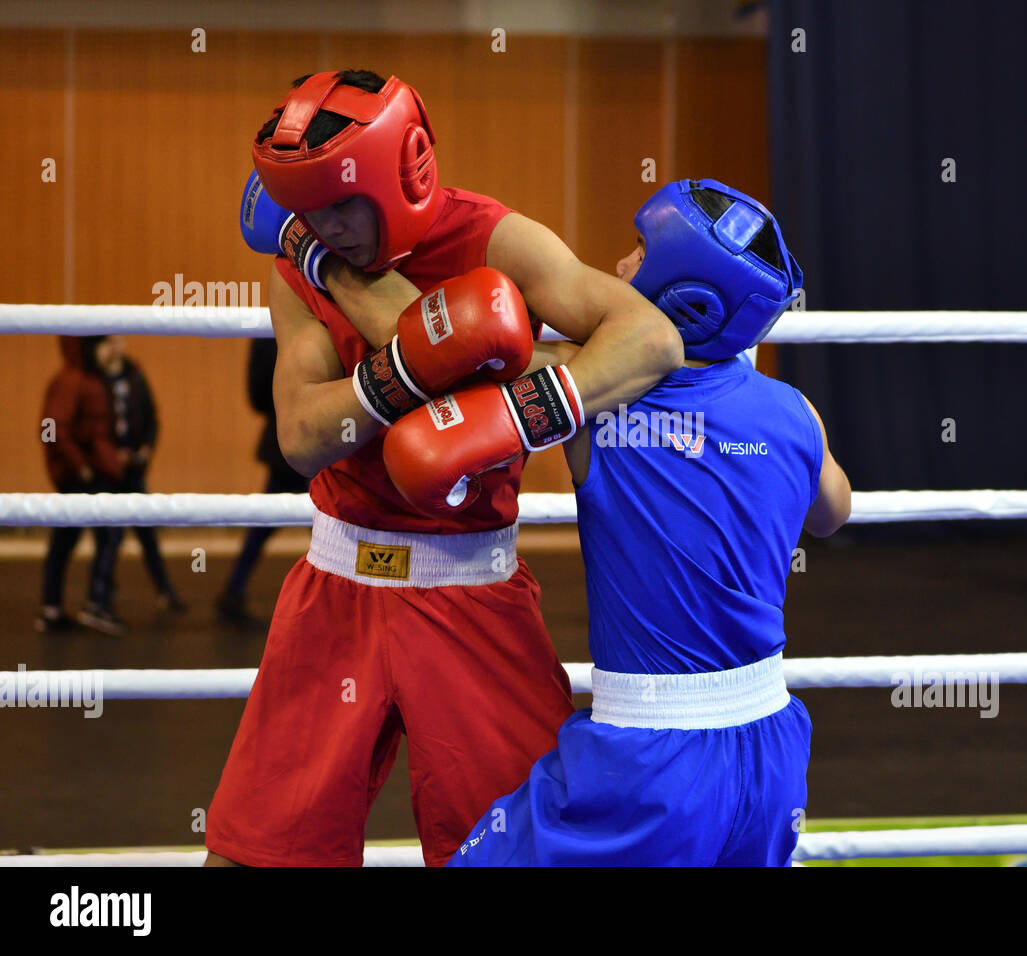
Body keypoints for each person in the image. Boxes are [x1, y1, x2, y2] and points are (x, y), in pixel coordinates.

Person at [204, 69, 682, 867]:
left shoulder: (495, 240)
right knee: (253, 855)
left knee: (521, 851)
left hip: (470, 592)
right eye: (306, 207)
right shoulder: (303, 260)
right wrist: (408, 374)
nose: (324, 225)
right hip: (336, 591)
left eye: (338, 202)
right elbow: (299, 433)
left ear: (404, 169)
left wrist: (518, 411)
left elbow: (651, 340)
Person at [381, 178, 852, 866]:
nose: (620, 262)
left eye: (639, 250)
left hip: (651, 756)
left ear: (687, 296)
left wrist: (316, 256)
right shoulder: (796, 413)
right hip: (772, 747)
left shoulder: (595, 400)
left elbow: (433, 340)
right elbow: (835, 514)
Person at [215, 337, 310, 627]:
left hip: (286, 440)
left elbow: (257, 397)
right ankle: (233, 590)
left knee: (268, 525)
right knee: (327, 522)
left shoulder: (268, 333)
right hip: (314, 438)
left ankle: (233, 589)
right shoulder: (319, 315)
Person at [37, 336, 127, 635]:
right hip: (84, 477)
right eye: (105, 344)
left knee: (74, 540)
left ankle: (60, 608)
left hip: (92, 472)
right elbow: (53, 428)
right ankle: (92, 606)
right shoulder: (73, 380)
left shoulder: (87, 378)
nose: (112, 350)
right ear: (91, 347)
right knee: (103, 536)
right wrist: (81, 467)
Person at [96, 335, 186, 613]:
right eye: (109, 342)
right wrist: (109, 458)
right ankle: (100, 601)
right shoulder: (93, 381)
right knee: (110, 538)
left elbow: (151, 417)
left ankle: (164, 590)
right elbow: (91, 430)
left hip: (133, 469)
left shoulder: (134, 376)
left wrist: (146, 449)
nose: (116, 347)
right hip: (106, 471)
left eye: (118, 341)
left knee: (146, 533)